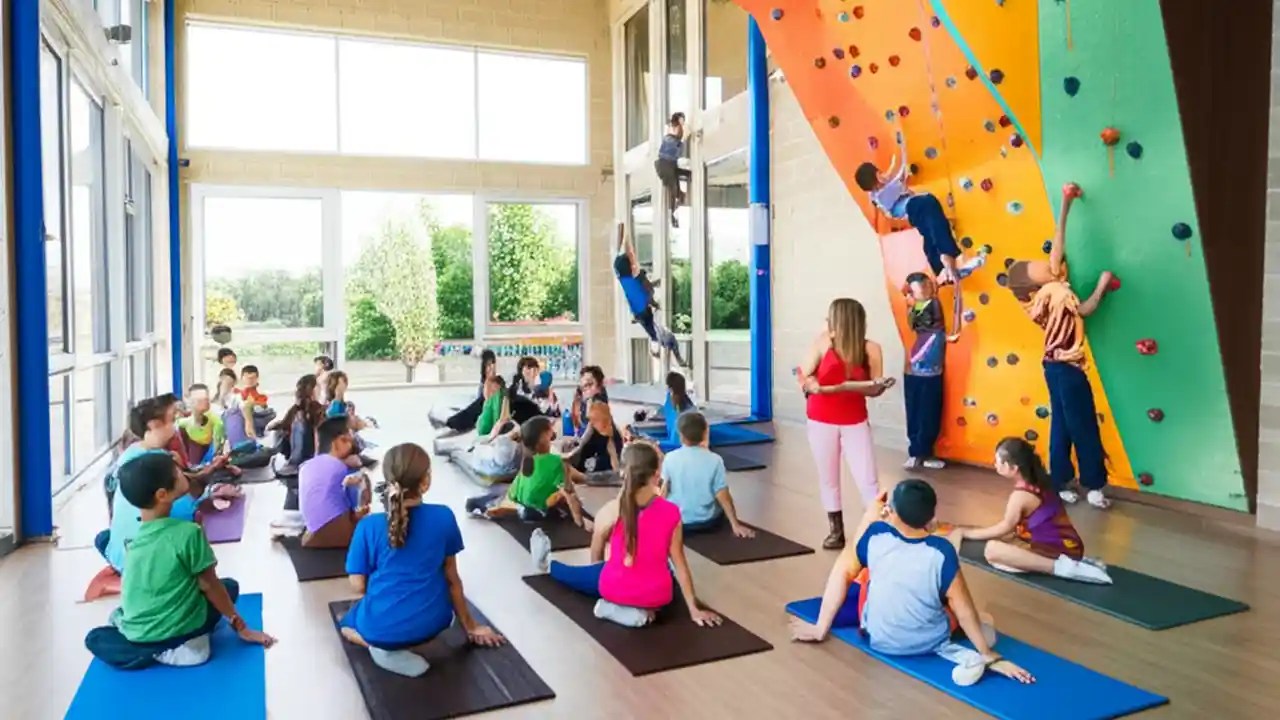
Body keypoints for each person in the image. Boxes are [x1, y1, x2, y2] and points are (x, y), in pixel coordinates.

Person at [789, 479, 1034, 688]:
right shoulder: (942, 552)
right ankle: (978, 651)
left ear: (892, 512)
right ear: (932, 518)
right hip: (926, 643)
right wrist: (988, 654)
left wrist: (821, 627)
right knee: (984, 621)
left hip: (877, 638)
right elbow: (964, 609)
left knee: (873, 579)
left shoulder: (875, 535)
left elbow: (842, 572)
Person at [84, 453, 276, 669]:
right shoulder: (189, 533)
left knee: (98, 635)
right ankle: (176, 647)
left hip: (140, 631)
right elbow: (208, 584)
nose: (183, 472)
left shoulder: (133, 540)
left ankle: (145, 648)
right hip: (182, 631)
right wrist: (240, 626)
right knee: (228, 587)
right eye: (177, 471)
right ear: (162, 494)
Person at [339, 443, 504, 677]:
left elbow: (358, 586)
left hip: (382, 629)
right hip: (436, 623)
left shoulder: (368, 526)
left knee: (346, 625)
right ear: (425, 483)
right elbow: (452, 580)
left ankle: (380, 648)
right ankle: (398, 642)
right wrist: (471, 626)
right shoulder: (444, 516)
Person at [1006, 183, 1115, 509]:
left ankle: (1060, 481)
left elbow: (1056, 254)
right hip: (1067, 368)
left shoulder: (1038, 299)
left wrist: (1066, 205)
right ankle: (1093, 484)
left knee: (1064, 426)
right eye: (1036, 266)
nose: (1047, 263)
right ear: (1033, 280)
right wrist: (1101, 287)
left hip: (1054, 367)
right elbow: (1084, 309)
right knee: (1081, 425)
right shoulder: (1054, 292)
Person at [531, 442, 722, 628]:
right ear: (656, 476)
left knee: (575, 574)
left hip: (613, 587)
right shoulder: (672, 512)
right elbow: (680, 564)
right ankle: (638, 612)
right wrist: (694, 609)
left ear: (624, 474)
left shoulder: (612, 510)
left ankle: (548, 565)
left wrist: (598, 580)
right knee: (667, 577)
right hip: (657, 596)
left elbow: (597, 550)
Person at [853, 131, 984, 332]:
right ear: (876, 178)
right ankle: (949, 260)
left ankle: (944, 270)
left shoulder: (880, 191)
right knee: (930, 207)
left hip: (915, 211)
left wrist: (902, 148)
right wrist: (901, 150)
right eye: (878, 173)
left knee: (931, 232)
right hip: (914, 207)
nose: (883, 174)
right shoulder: (881, 193)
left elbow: (895, 176)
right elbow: (897, 175)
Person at [799, 298, 895, 549]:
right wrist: (810, 385)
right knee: (828, 476)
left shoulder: (871, 349)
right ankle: (836, 531)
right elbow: (803, 373)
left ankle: (878, 527)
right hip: (820, 418)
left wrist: (879, 387)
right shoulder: (822, 342)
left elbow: (873, 391)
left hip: (854, 419)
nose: (827, 323)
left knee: (868, 477)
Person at [957, 438, 1111, 583]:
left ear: (1013, 467)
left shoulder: (1021, 496)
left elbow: (1004, 527)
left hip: (1060, 548)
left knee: (992, 550)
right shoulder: (1041, 480)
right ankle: (1071, 561)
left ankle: (1061, 568)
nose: (994, 464)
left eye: (998, 461)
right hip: (1071, 545)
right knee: (1006, 540)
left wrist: (967, 533)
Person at [97, 394, 184, 573]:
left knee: (103, 538)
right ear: (154, 425)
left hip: (122, 555)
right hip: (148, 561)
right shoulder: (158, 460)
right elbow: (184, 490)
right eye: (172, 420)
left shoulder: (130, 453)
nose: (175, 426)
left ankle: (119, 562)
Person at [465, 417, 590, 529]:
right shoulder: (557, 462)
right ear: (545, 435)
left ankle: (509, 505)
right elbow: (569, 493)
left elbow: (515, 488)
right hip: (540, 507)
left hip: (520, 498)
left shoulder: (528, 459)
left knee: (505, 492)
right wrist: (580, 522)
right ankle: (522, 509)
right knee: (559, 496)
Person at [660, 412, 754, 537]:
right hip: (706, 523)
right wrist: (735, 524)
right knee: (718, 506)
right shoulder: (715, 460)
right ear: (705, 433)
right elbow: (722, 494)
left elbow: (664, 491)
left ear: (680, 435)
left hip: (678, 523)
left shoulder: (669, 458)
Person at [613, 224, 685, 365]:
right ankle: (663, 350)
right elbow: (646, 292)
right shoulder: (637, 278)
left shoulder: (621, 274)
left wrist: (623, 228)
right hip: (644, 311)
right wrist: (656, 299)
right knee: (662, 335)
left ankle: (659, 348)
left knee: (655, 333)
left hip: (639, 311)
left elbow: (622, 250)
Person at [298, 416, 373, 548]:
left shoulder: (305, 466)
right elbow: (360, 503)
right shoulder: (343, 468)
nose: (352, 446)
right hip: (338, 534)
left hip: (311, 533)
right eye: (348, 441)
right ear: (338, 442)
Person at [902, 273, 947, 470]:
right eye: (917, 288)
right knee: (914, 409)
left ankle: (926, 451)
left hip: (931, 365)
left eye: (924, 287)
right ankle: (915, 451)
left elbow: (932, 323)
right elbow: (916, 325)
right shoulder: (913, 308)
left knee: (930, 410)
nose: (923, 291)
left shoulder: (934, 305)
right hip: (915, 363)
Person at [437, 349, 499, 433]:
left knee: (476, 407)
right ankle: (453, 422)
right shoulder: (484, 382)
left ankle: (454, 422)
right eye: (487, 365)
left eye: (491, 365)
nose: (490, 368)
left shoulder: (494, 383)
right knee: (472, 409)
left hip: (487, 406)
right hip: (483, 405)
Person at [566, 399, 623, 475]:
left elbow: (615, 462)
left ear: (603, 419)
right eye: (591, 420)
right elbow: (582, 445)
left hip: (601, 470)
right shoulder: (593, 431)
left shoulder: (612, 436)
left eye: (595, 420)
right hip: (585, 465)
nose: (592, 423)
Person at [655, 112, 692, 227]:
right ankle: (673, 217)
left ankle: (674, 216)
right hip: (666, 165)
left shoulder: (672, 135)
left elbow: (681, 137)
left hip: (668, 165)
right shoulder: (671, 135)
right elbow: (680, 138)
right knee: (674, 191)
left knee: (674, 190)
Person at [567, 365, 609, 437]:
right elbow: (576, 415)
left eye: (589, 384)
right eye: (583, 385)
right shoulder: (580, 395)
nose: (586, 388)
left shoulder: (598, 400)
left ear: (599, 385)